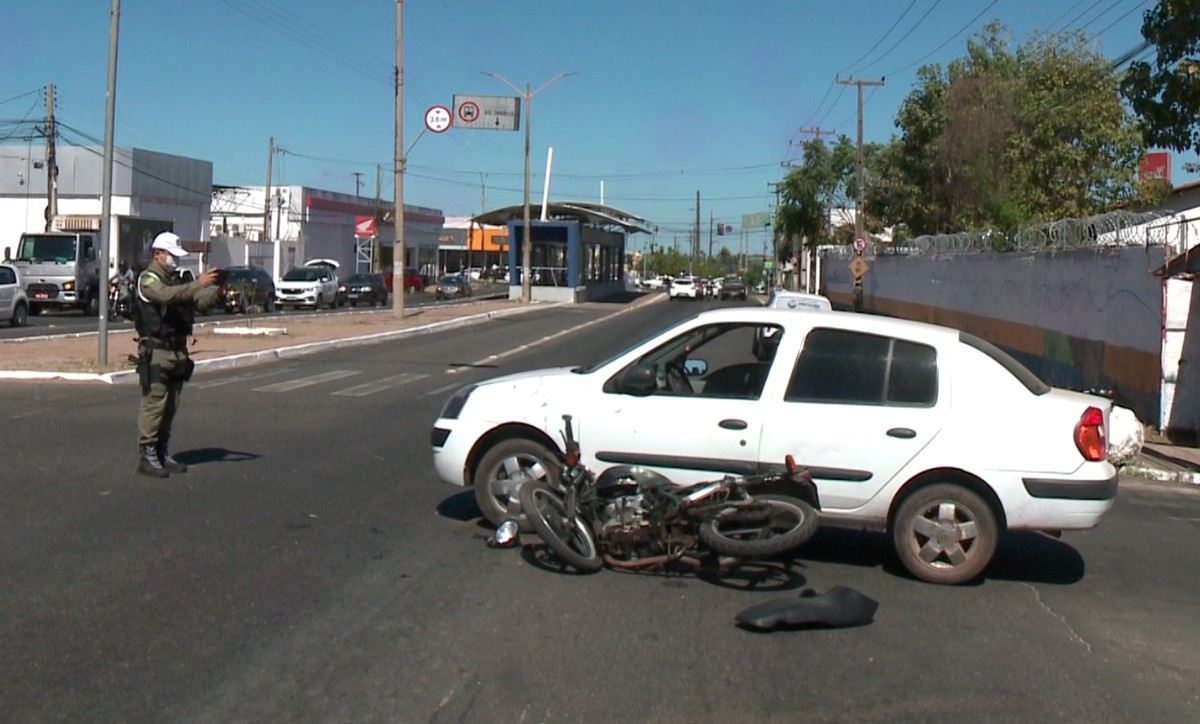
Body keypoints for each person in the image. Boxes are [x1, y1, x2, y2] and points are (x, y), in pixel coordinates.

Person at [134, 232, 221, 478]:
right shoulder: (148, 280)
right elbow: (166, 296)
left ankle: (162, 451)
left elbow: (198, 302)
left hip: (177, 350)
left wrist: (218, 291)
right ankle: (147, 454)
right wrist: (199, 283)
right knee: (155, 404)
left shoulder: (176, 280)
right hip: (156, 351)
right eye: (171, 255)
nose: (175, 260)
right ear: (158, 254)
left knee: (171, 404)